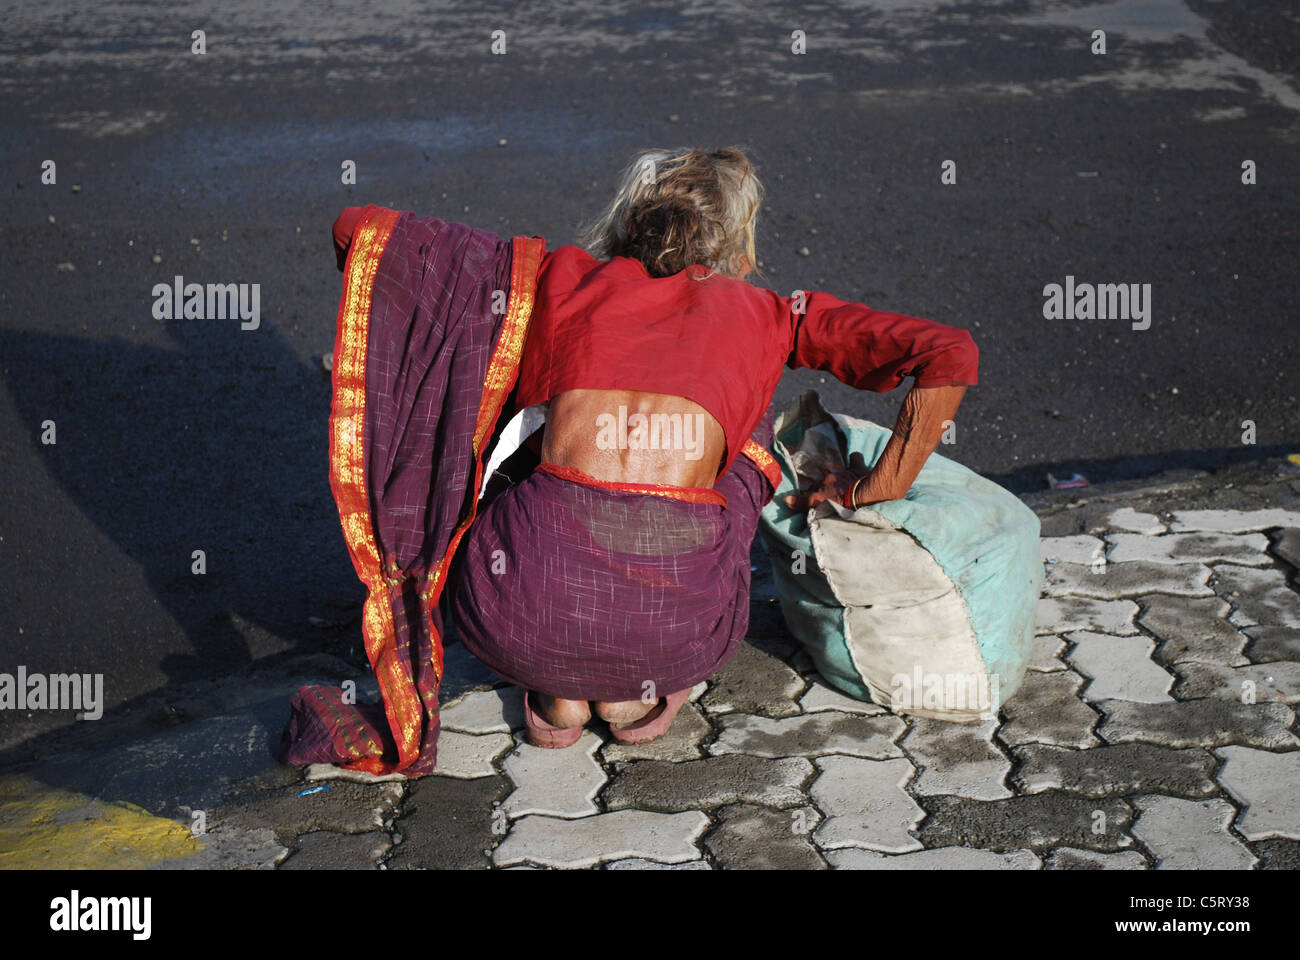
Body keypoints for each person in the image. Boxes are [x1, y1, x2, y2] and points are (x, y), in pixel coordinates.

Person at [282, 146, 976, 776]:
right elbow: (950, 353)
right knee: (753, 425)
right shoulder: (773, 312)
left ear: (628, 220)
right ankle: (627, 696)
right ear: (737, 241)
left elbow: (357, 230)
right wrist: (870, 488)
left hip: (506, 620)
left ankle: (558, 696)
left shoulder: (551, 276)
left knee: (508, 418)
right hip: (678, 639)